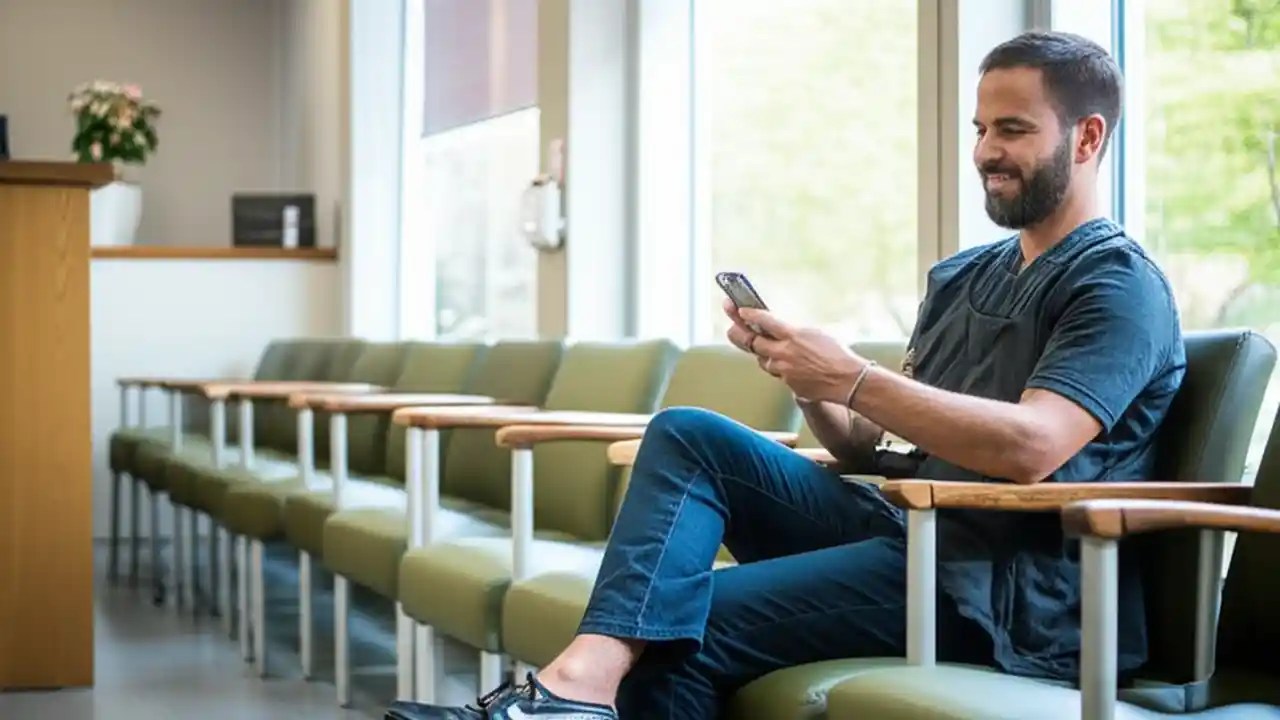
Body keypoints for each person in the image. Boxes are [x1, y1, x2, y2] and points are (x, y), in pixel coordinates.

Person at [387, 30, 1185, 720]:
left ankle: (572, 690)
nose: (984, 152)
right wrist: (809, 377)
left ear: (1085, 139)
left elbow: (1032, 448)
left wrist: (854, 378)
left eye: (1012, 130)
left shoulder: (1118, 287)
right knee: (691, 434)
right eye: (979, 128)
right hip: (911, 532)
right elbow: (869, 449)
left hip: (1006, 594)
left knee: (678, 628)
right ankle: (579, 686)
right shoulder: (964, 277)